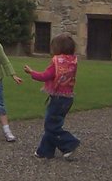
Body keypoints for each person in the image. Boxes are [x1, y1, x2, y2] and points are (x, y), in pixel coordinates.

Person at [24, 32, 81, 160]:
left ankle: (69, 143)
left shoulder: (57, 62)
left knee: (51, 125)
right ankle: (45, 151)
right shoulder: (72, 61)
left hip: (58, 99)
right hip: (68, 98)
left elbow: (45, 76)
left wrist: (31, 72)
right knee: (53, 123)